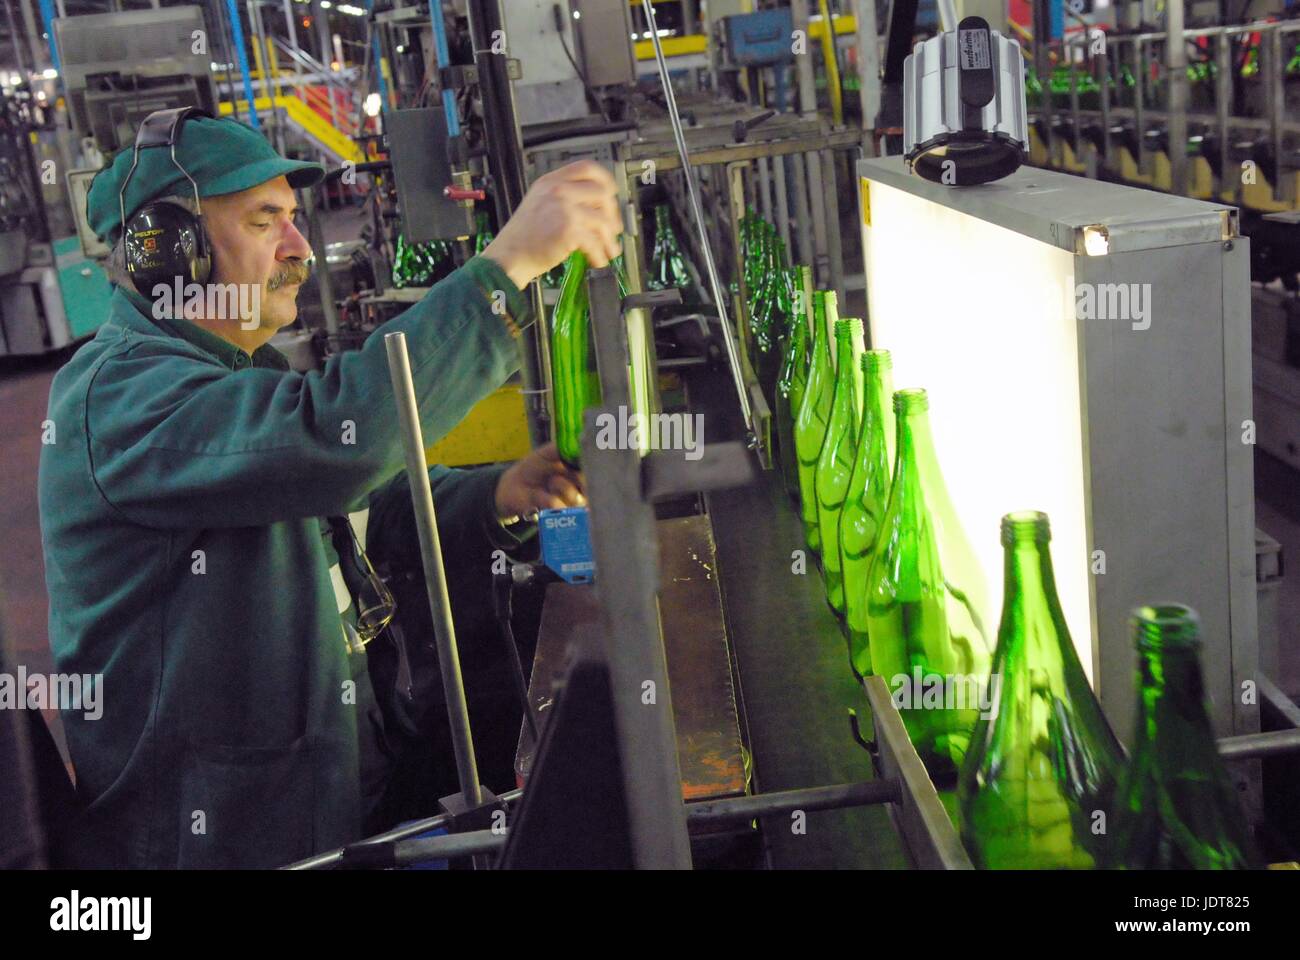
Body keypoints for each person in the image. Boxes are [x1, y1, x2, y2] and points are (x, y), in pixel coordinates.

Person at [37, 111, 622, 868]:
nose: (299, 248)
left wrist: (500, 492)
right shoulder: (120, 399)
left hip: (340, 785)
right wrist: (503, 272)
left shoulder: (233, 372)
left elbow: (356, 505)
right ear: (167, 254)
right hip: (231, 835)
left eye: (293, 219)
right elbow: (338, 437)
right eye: (264, 221)